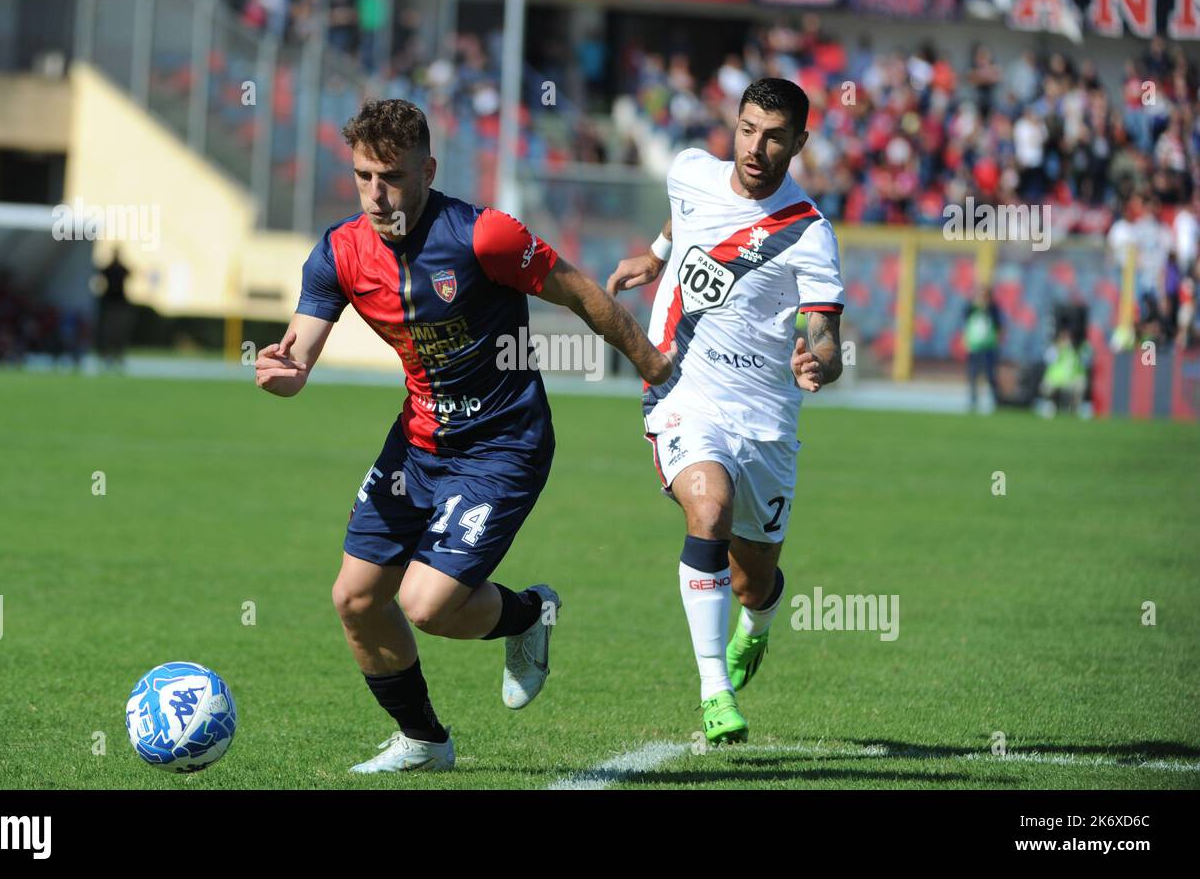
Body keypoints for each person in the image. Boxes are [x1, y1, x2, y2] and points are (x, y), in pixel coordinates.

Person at [255, 99, 671, 773]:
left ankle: (530, 614)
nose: (376, 193)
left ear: (428, 170)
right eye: (363, 176)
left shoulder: (485, 237)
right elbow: (297, 352)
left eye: (390, 176)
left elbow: (582, 295)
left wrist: (654, 367)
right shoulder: (339, 252)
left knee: (426, 604)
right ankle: (423, 740)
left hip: (504, 445)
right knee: (355, 598)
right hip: (418, 444)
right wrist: (284, 372)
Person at [606, 78, 844, 746]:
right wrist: (653, 259)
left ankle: (758, 624)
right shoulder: (689, 170)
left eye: (773, 136)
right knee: (706, 509)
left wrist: (817, 361)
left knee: (754, 579)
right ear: (733, 126)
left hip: (767, 418)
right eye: (746, 129)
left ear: (798, 142)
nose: (756, 147)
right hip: (684, 391)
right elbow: (679, 217)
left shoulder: (809, 234)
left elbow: (826, 335)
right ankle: (715, 690)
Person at [963, 283, 1004, 412]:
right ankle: (973, 401)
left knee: (991, 375)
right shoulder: (972, 308)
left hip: (988, 347)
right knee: (973, 375)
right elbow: (966, 315)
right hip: (974, 347)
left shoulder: (993, 309)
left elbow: (998, 326)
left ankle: (996, 401)